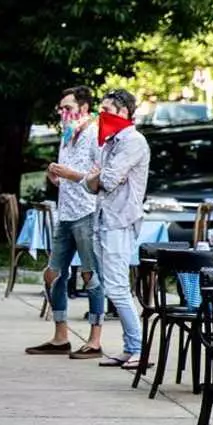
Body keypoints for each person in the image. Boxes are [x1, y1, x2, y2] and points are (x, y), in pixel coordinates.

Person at [27, 87, 108, 358]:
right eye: (60, 108)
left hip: (87, 213)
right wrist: (57, 178)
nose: (62, 112)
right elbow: (70, 176)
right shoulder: (66, 134)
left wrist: (71, 175)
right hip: (66, 213)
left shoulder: (96, 134)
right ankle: (60, 336)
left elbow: (99, 178)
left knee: (90, 276)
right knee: (53, 274)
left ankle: (95, 340)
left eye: (67, 107)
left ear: (84, 108)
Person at [80, 89, 151, 369]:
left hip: (120, 220)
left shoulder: (133, 141)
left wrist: (96, 177)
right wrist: (95, 177)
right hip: (104, 217)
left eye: (109, 109)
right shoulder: (110, 141)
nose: (103, 114)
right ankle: (130, 347)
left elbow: (106, 180)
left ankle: (139, 349)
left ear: (124, 112)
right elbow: (90, 183)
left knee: (119, 288)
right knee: (112, 285)